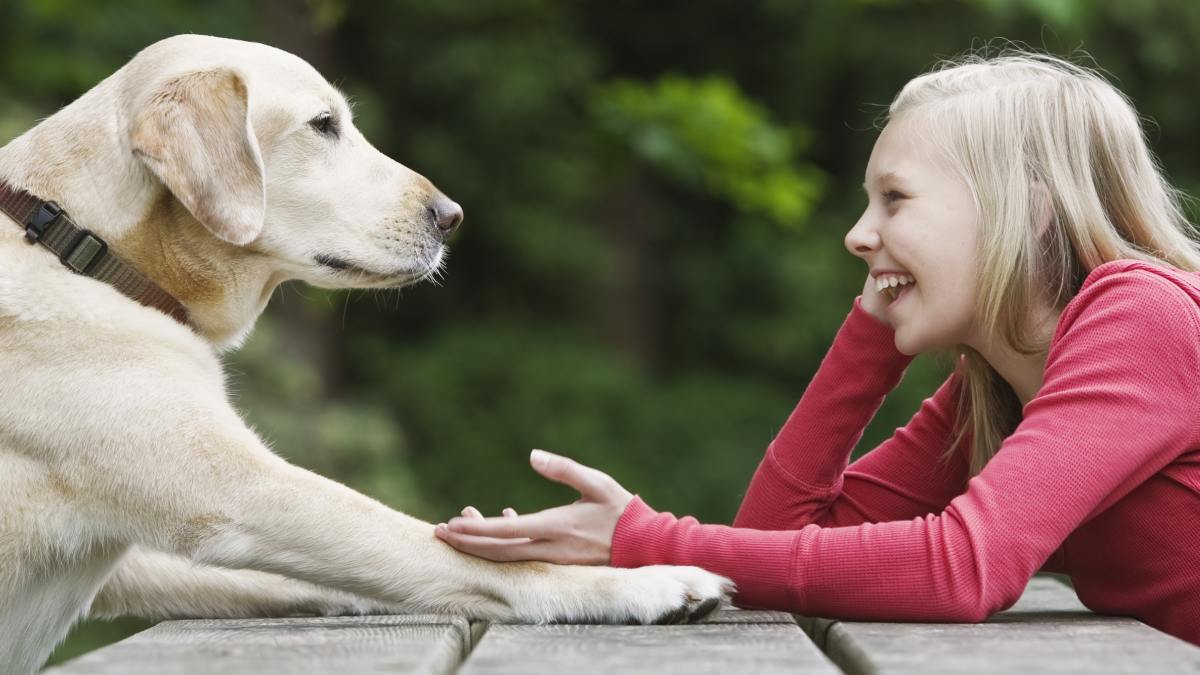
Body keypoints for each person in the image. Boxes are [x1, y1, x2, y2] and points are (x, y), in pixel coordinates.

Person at [433, 51, 1200, 646]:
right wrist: (871, 337)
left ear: (1027, 210)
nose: (858, 235)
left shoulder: (1141, 315)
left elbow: (964, 568)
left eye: (894, 200)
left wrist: (643, 541)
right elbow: (778, 542)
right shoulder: (994, 388)